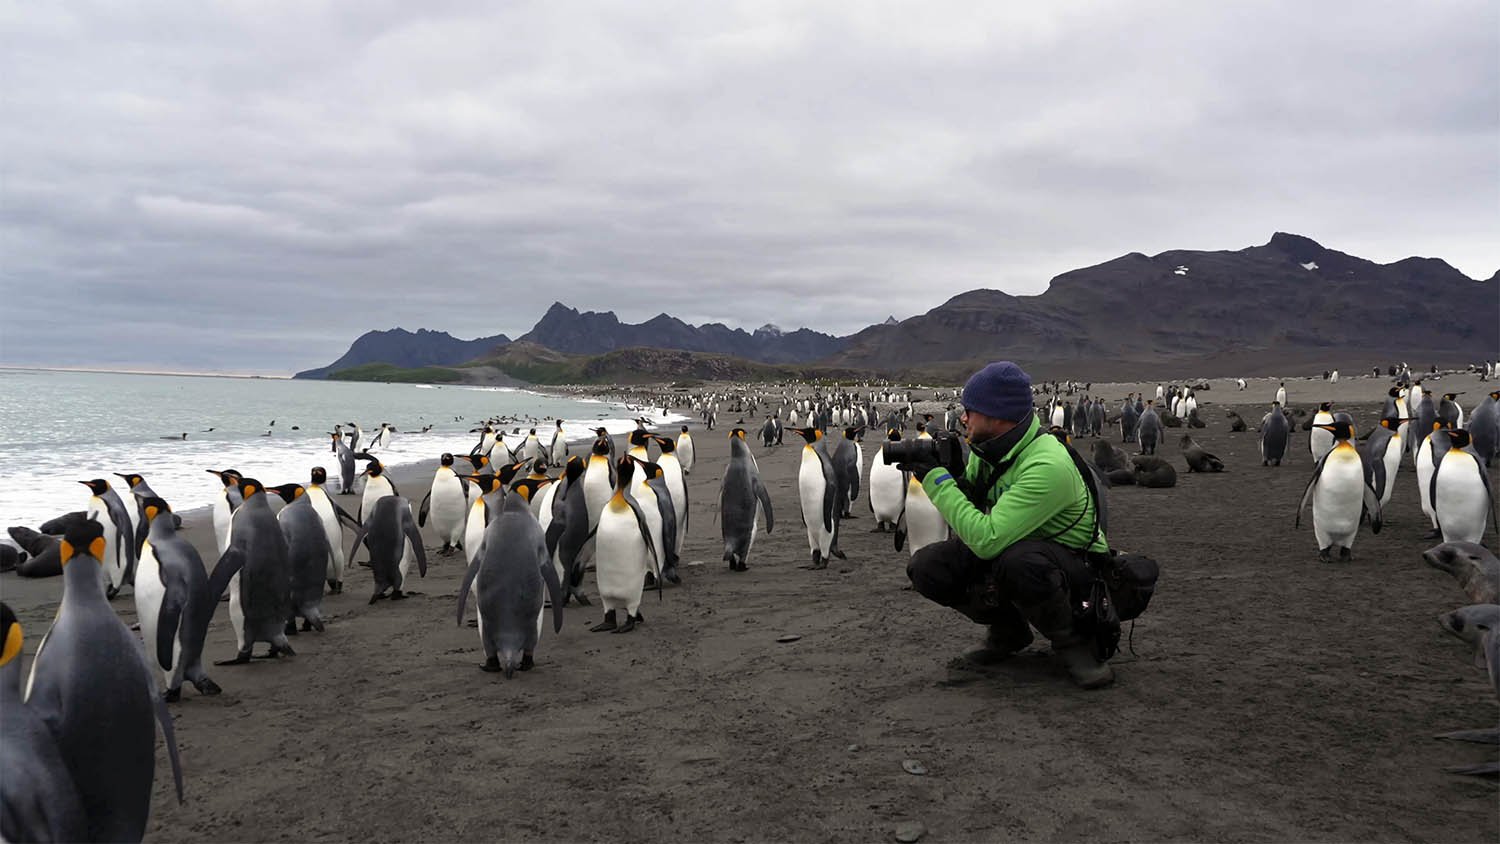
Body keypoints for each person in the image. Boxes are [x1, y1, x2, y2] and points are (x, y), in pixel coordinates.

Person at [899, 361, 1114, 689]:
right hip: (1017, 549)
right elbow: (973, 508)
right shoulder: (988, 450)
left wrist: (937, 481)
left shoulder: (1048, 464)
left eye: (970, 411)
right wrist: (955, 474)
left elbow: (986, 539)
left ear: (997, 415)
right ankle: (1009, 631)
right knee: (928, 566)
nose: (963, 418)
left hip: (1074, 569)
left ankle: (1076, 646)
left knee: (1019, 562)